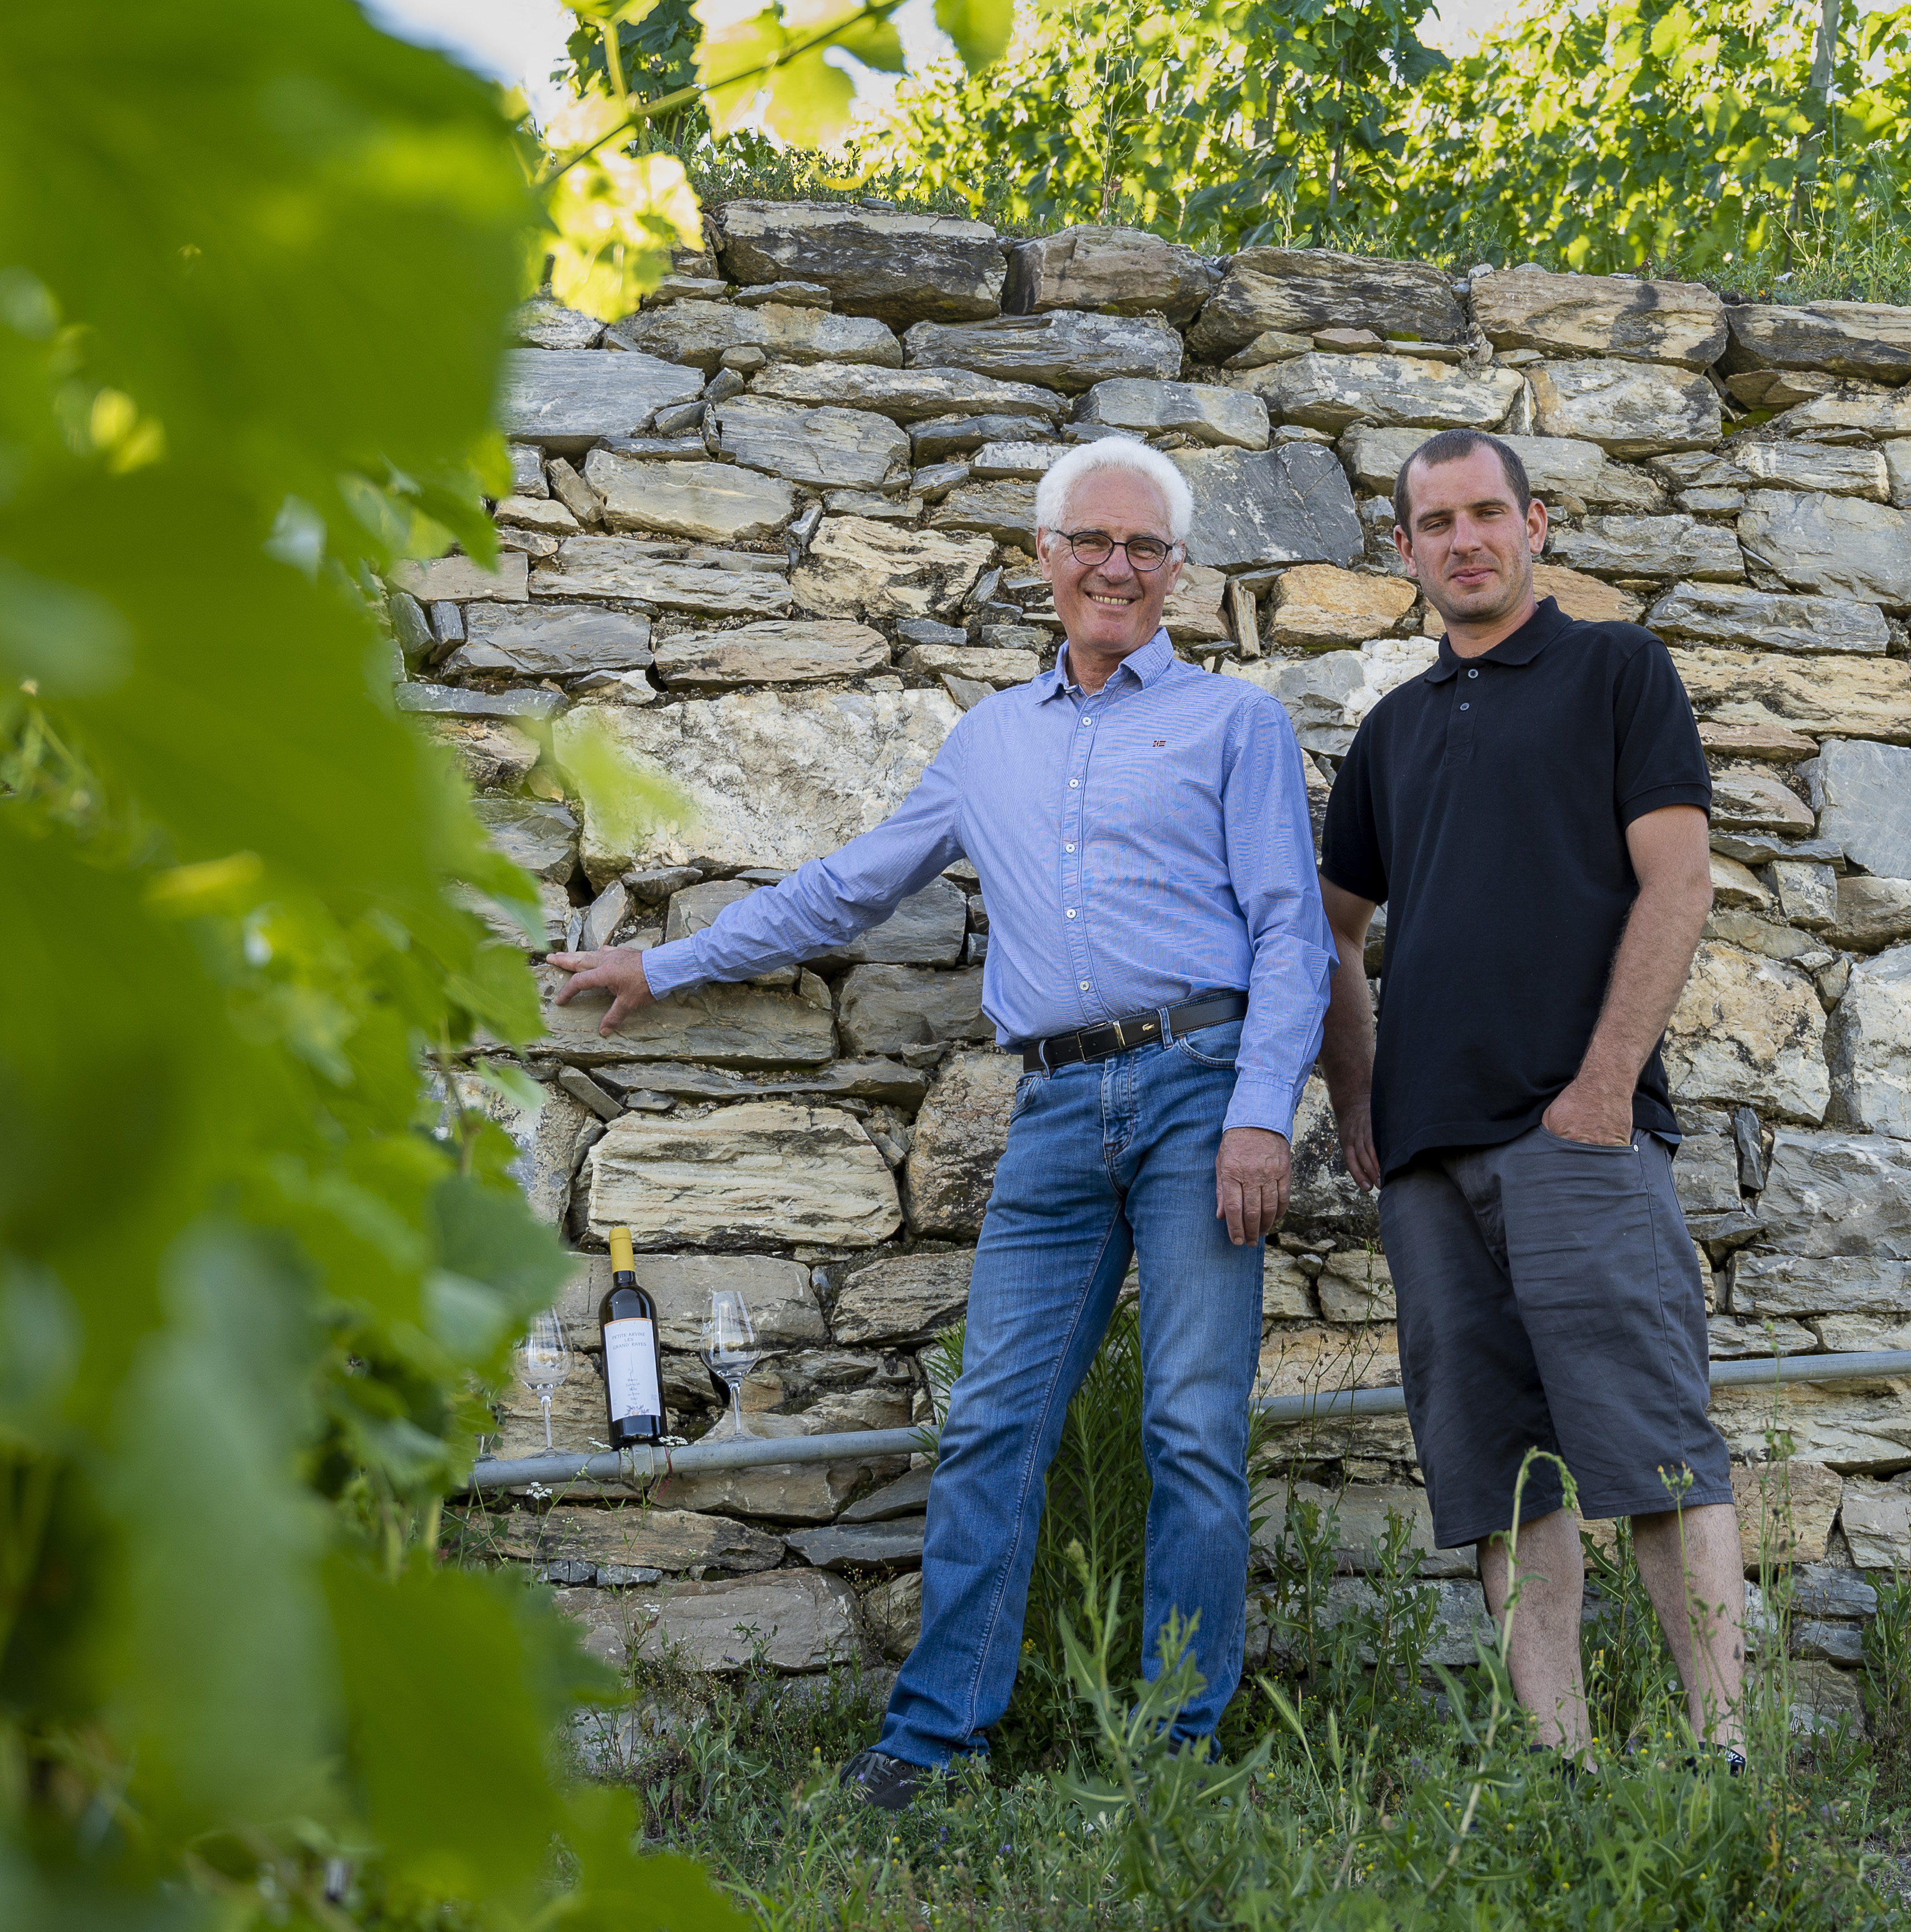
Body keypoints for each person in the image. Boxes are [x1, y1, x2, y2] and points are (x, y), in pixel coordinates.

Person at [547, 434, 1331, 1811]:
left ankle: (1171, 1752)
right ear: (1044, 559)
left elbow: (1289, 932)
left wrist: (1262, 1113)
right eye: (1092, 540)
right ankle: (932, 1739)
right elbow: (846, 891)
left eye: (1145, 548)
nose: (1116, 566)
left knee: (1192, 1427)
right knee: (989, 1426)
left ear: (1178, 573)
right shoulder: (988, 741)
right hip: (1049, 1108)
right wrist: (660, 965)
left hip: (1201, 1088)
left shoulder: (1233, 724)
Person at [1315, 426, 1744, 1763]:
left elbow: (1680, 879)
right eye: (1435, 523)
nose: (1464, 541)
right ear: (1405, 551)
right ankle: (1566, 1769)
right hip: (1430, 1168)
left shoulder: (1618, 669)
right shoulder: (1389, 734)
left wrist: (1605, 1085)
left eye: (1486, 513)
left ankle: (1725, 1754)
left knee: (1655, 1449)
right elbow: (1330, 932)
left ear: (1537, 524)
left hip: (1578, 1134)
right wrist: (1359, 1103)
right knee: (1501, 1481)